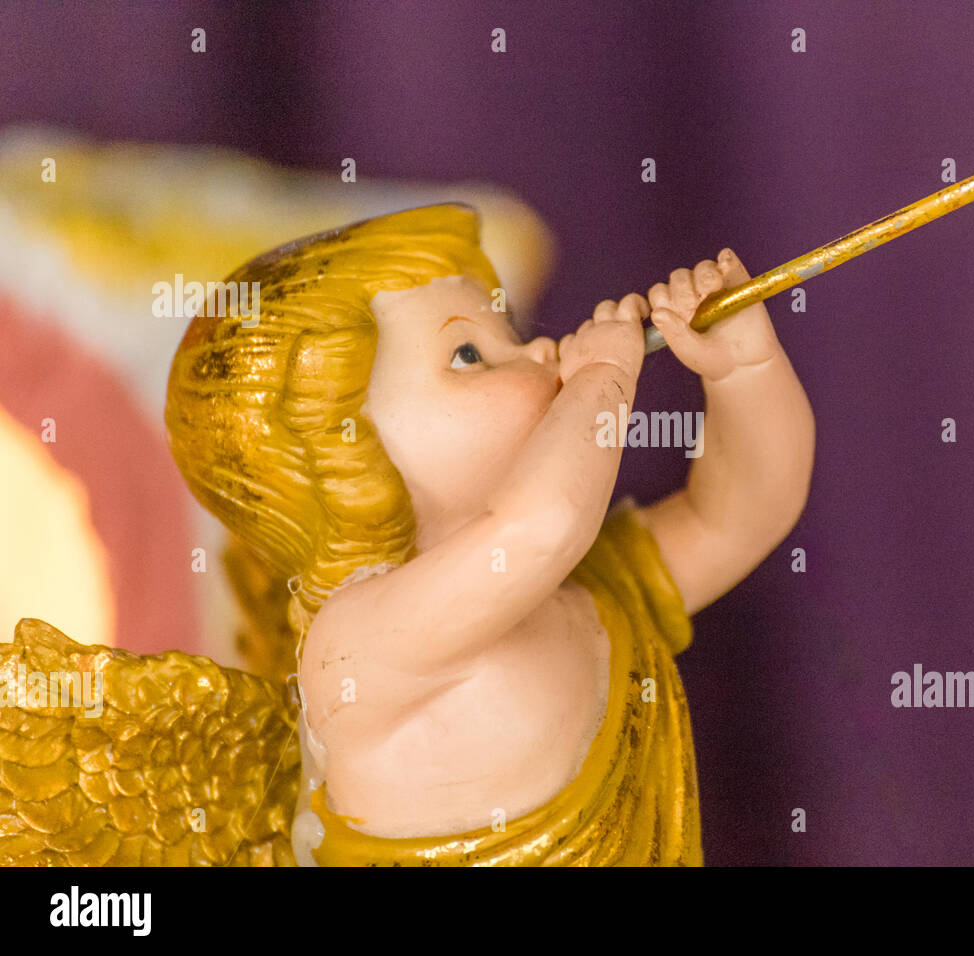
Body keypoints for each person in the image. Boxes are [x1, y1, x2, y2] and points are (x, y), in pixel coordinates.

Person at [165, 204, 815, 865]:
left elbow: (738, 515)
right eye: (470, 354)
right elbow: (540, 527)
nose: (539, 350)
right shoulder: (357, 650)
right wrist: (602, 380)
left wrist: (743, 372)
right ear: (346, 453)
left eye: (506, 333)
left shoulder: (587, 590)